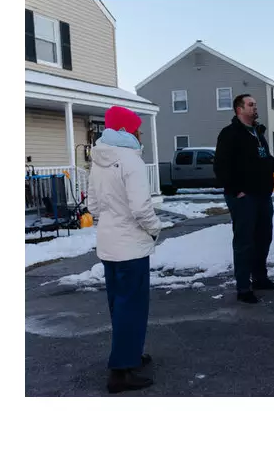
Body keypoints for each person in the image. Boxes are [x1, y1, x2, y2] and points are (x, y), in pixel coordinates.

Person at [87, 105, 163, 394]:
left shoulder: (99, 159)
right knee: (133, 308)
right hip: (131, 245)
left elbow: (93, 206)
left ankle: (129, 355)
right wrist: (154, 229)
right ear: (125, 130)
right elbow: (141, 208)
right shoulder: (131, 160)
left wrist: (111, 217)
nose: (140, 133)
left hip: (109, 244)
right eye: (136, 128)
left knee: (119, 306)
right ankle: (121, 372)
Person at [214, 94, 274, 304]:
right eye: (250, 105)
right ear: (239, 109)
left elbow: (264, 158)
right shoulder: (230, 134)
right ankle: (243, 288)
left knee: (263, 238)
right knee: (244, 242)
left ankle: (260, 279)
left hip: (263, 195)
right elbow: (221, 166)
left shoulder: (257, 132)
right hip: (243, 197)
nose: (255, 107)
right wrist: (236, 190)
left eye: (255, 104)